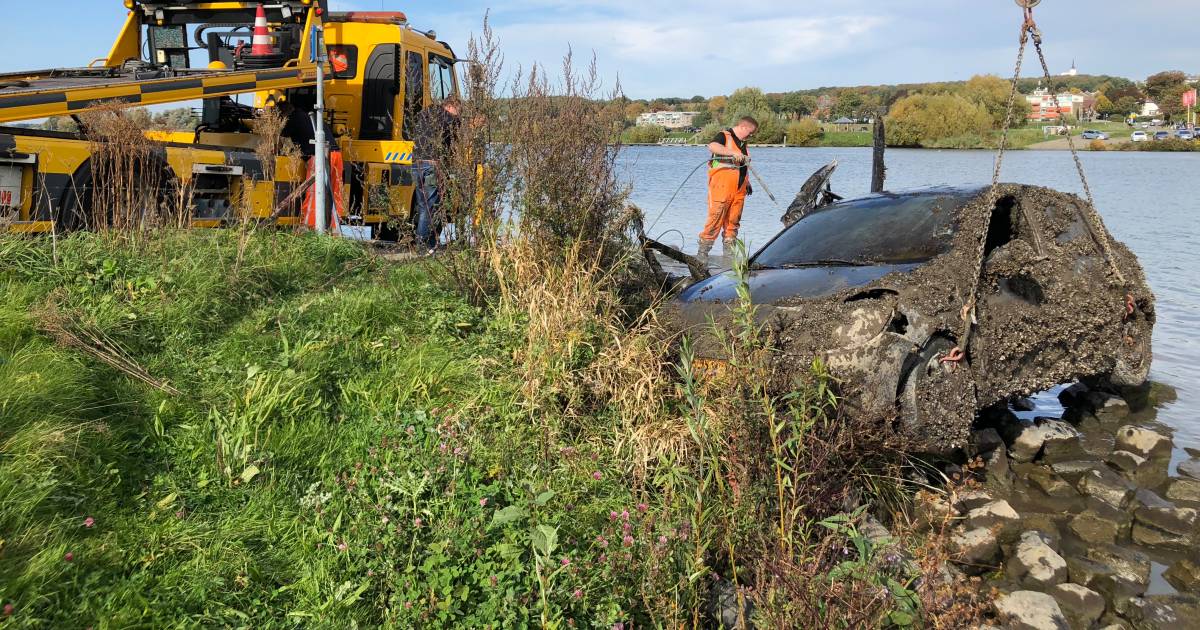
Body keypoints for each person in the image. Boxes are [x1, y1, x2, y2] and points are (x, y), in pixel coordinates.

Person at [697, 116, 757, 264]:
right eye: (750, 132)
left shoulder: (744, 143)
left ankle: (728, 260)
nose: (751, 135)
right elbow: (712, 146)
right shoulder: (724, 136)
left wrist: (747, 182)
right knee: (715, 220)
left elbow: (742, 165)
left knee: (733, 223)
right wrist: (732, 153)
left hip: (739, 189)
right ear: (743, 127)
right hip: (721, 187)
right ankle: (702, 255)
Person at [411, 97, 462, 252]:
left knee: (422, 204)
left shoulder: (426, 113)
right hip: (431, 167)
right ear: (450, 106)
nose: (458, 114)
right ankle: (422, 244)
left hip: (416, 164)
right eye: (458, 111)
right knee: (430, 205)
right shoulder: (450, 119)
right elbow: (453, 144)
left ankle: (431, 243)